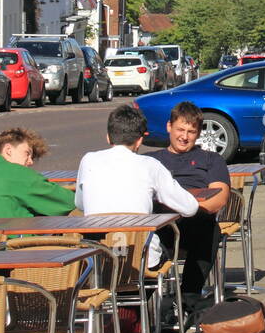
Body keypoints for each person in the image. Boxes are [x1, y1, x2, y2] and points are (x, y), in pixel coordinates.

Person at [75, 104, 199, 269]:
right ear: (140, 140)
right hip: (141, 261)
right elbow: (190, 208)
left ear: (108, 137)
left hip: (99, 262)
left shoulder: (88, 160)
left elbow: (80, 204)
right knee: (163, 248)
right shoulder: (151, 165)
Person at [147, 102, 231, 312]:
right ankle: (137, 307)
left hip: (193, 222)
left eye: (191, 132)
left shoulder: (211, 159)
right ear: (169, 127)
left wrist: (189, 209)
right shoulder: (150, 160)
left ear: (198, 133)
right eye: (180, 130)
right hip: (158, 225)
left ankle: (188, 299)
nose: (184, 137)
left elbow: (219, 197)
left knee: (210, 230)